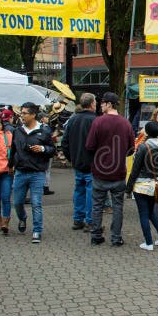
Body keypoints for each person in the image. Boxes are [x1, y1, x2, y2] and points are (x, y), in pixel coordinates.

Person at [85, 92, 134, 247]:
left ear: (109, 104)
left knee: (97, 205)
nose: (100, 105)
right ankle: (116, 238)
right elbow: (131, 149)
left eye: (102, 103)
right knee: (118, 206)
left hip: (100, 171)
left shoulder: (98, 122)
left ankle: (96, 236)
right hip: (118, 172)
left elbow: (89, 146)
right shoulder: (126, 123)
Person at [10, 102, 56, 244]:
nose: (22, 116)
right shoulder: (17, 131)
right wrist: (10, 165)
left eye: (24, 113)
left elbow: (52, 150)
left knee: (36, 203)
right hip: (21, 171)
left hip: (37, 172)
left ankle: (37, 230)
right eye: (21, 113)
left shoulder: (44, 131)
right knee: (17, 202)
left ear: (33, 115)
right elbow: (13, 149)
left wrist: (42, 149)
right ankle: (22, 218)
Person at [126, 121, 158, 250]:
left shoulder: (143, 147)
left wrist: (128, 188)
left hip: (142, 184)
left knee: (144, 214)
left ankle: (148, 243)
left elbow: (135, 169)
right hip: (156, 183)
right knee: (151, 212)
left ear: (147, 132)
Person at [61, 93, 97, 232]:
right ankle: (90, 221)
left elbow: (65, 141)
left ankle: (78, 219)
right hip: (92, 162)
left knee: (79, 190)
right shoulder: (95, 120)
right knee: (90, 192)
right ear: (92, 104)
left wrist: (71, 158)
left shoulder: (73, 120)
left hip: (77, 162)